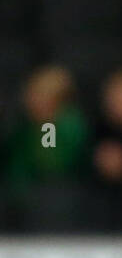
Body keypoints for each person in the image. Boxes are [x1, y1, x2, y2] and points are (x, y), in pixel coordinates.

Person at [3, 65, 91, 199]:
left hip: (63, 197)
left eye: (38, 95)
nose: (30, 100)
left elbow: (51, 166)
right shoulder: (26, 126)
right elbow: (16, 169)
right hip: (23, 198)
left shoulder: (68, 124)